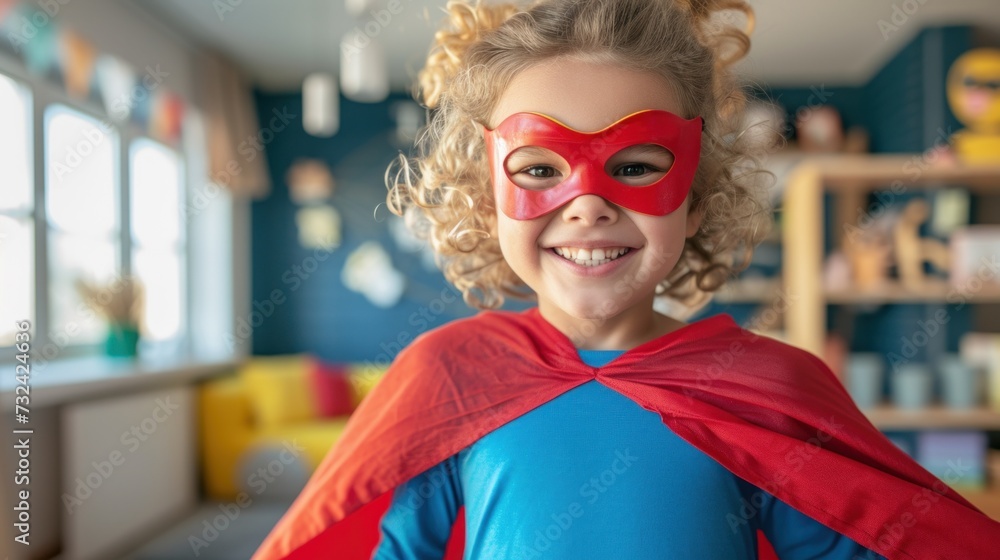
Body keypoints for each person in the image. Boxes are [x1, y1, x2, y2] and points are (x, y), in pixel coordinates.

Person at [252, 1, 1000, 559]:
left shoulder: (767, 384)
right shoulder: (449, 377)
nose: (587, 206)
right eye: (539, 169)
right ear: (487, 201)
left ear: (695, 200)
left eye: (636, 166)